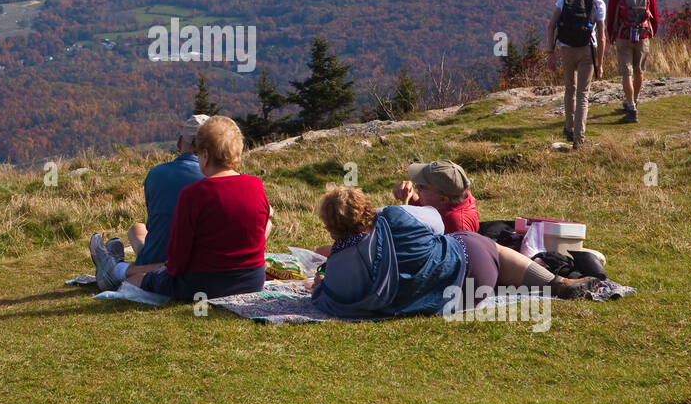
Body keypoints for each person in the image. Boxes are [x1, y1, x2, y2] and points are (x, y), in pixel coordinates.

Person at [312, 186, 602, 319]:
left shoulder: (337, 269)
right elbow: (437, 224)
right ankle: (557, 284)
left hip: (449, 302)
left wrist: (320, 285)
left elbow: (330, 299)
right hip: (474, 273)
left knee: (476, 250)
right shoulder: (395, 217)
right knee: (484, 246)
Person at [89, 116, 270, 300]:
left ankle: (116, 272)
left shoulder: (194, 194)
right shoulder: (256, 185)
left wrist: (156, 274)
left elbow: (178, 258)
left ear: (205, 155)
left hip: (203, 284)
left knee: (134, 281)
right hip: (252, 281)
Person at [95, 114, 208, 268]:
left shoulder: (156, 174)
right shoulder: (217, 178)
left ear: (180, 142)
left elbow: (155, 224)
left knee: (137, 229)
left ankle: (117, 268)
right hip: (204, 263)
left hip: (158, 262)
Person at [548, 0, 607, 149]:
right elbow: (602, 36)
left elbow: (551, 26)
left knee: (569, 89)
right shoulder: (598, 3)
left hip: (566, 49)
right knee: (583, 94)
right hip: (587, 50)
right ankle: (579, 139)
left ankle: (568, 127)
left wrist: (550, 52)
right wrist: (600, 62)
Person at [606, 0, 659, 123]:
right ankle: (635, 99)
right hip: (642, 36)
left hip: (623, 36)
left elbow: (610, 16)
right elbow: (655, 17)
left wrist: (611, 35)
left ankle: (630, 106)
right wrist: (652, 33)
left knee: (626, 72)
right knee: (639, 71)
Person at [392, 160, 479, 233]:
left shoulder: (456, 226)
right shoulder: (454, 195)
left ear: (443, 199)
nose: (416, 187)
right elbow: (429, 203)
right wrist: (410, 197)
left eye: (422, 186)